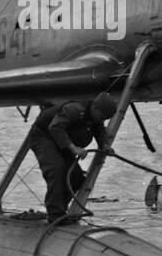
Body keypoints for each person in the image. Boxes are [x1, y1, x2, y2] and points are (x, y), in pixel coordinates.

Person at [29, 92, 118, 222]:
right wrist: (74, 149)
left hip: (61, 141)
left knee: (76, 178)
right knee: (56, 168)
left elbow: (99, 130)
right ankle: (55, 215)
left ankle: (60, 210)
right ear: (95, 108)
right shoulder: (75, 109)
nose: (102, 120)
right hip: (43, 135)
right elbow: (55, 127)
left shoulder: (95, 117)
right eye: (102, 117)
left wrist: (104, 146)